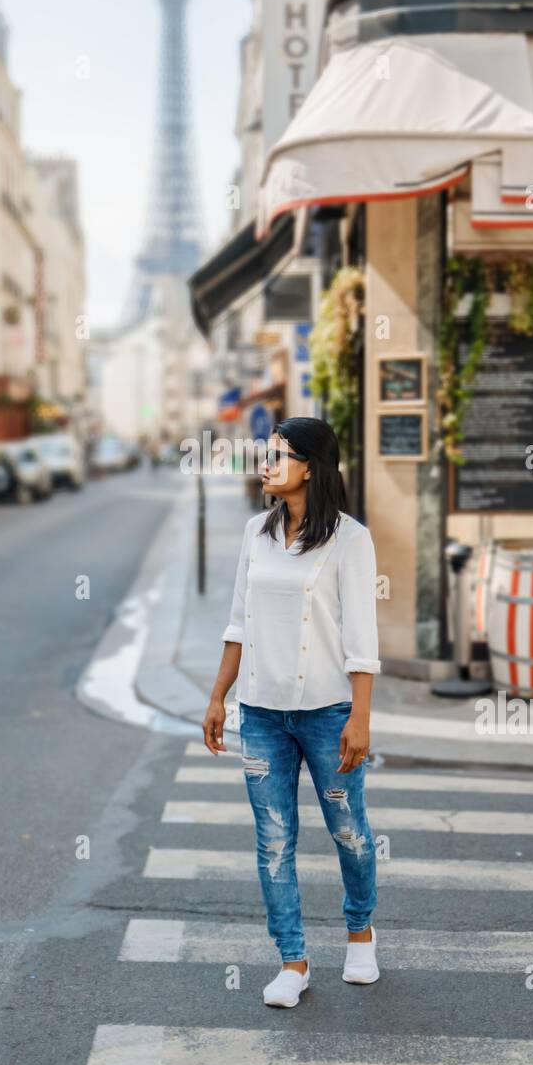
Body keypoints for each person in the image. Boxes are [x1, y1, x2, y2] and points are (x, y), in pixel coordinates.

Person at [202, 416, 381, 1008]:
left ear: (311, 466)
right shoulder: (256, 531)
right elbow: (237, 622)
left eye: (278, 455)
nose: (266, 464)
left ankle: (360, 932)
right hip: (260, 713)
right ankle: (293, 961)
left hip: (329, 712)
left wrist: (360, 716)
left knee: (349, 832)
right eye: (266, 453)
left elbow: (362, 637)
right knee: (274, 840)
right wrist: (218, 695)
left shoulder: (350, 539)